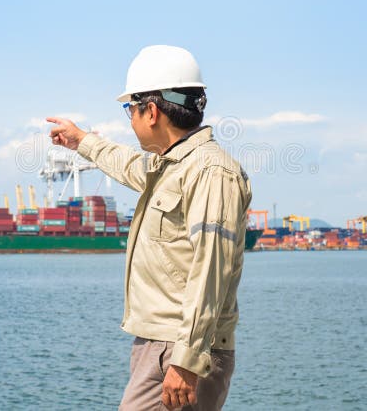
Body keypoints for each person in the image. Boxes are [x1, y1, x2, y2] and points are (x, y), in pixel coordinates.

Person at [48, 45, 252, 410]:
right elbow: (128, 165)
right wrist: (82, 142)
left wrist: (186, 360)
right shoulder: (172, 166)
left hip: (180, 351)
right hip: (163, 347)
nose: (131, 120)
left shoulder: (211, 172)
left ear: (152, 112)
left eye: (131, 109)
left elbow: (211, 270)